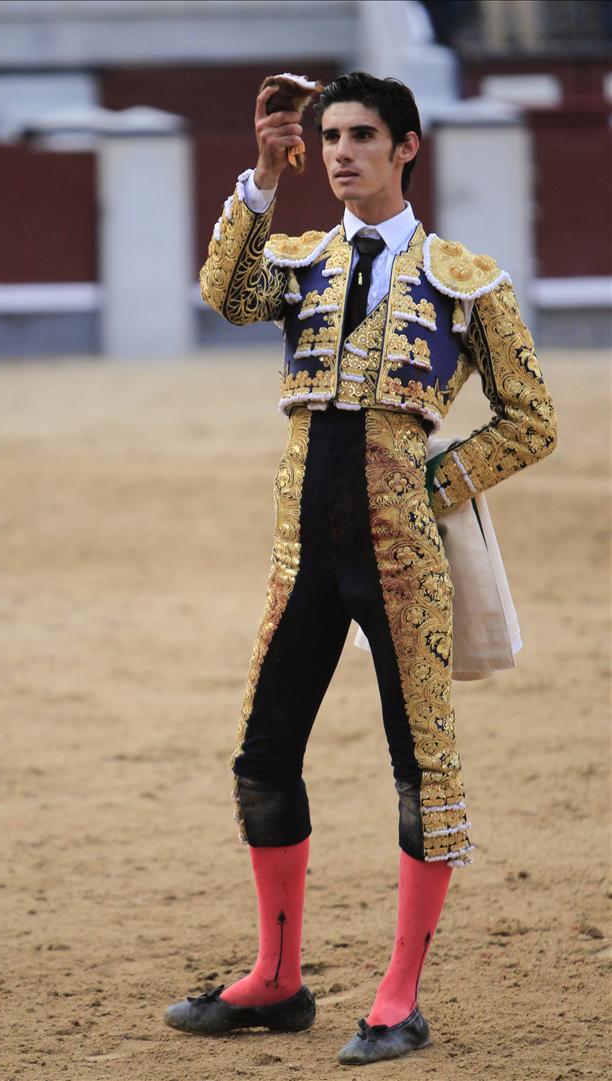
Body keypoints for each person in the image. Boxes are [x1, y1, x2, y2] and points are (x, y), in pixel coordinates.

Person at [165, 72, 557, 1065]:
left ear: (405, 148)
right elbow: (223, 294)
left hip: (400, 557)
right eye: (328, 137)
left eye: (361, 136)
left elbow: (531, 419)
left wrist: (441, 479)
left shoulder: (468, 278)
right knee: (262, 756)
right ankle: (277, 978)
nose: (339, 152)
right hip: (302, 551)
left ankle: (398, 996)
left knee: (420, 773)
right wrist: (259, 178)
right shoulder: (296, 261)